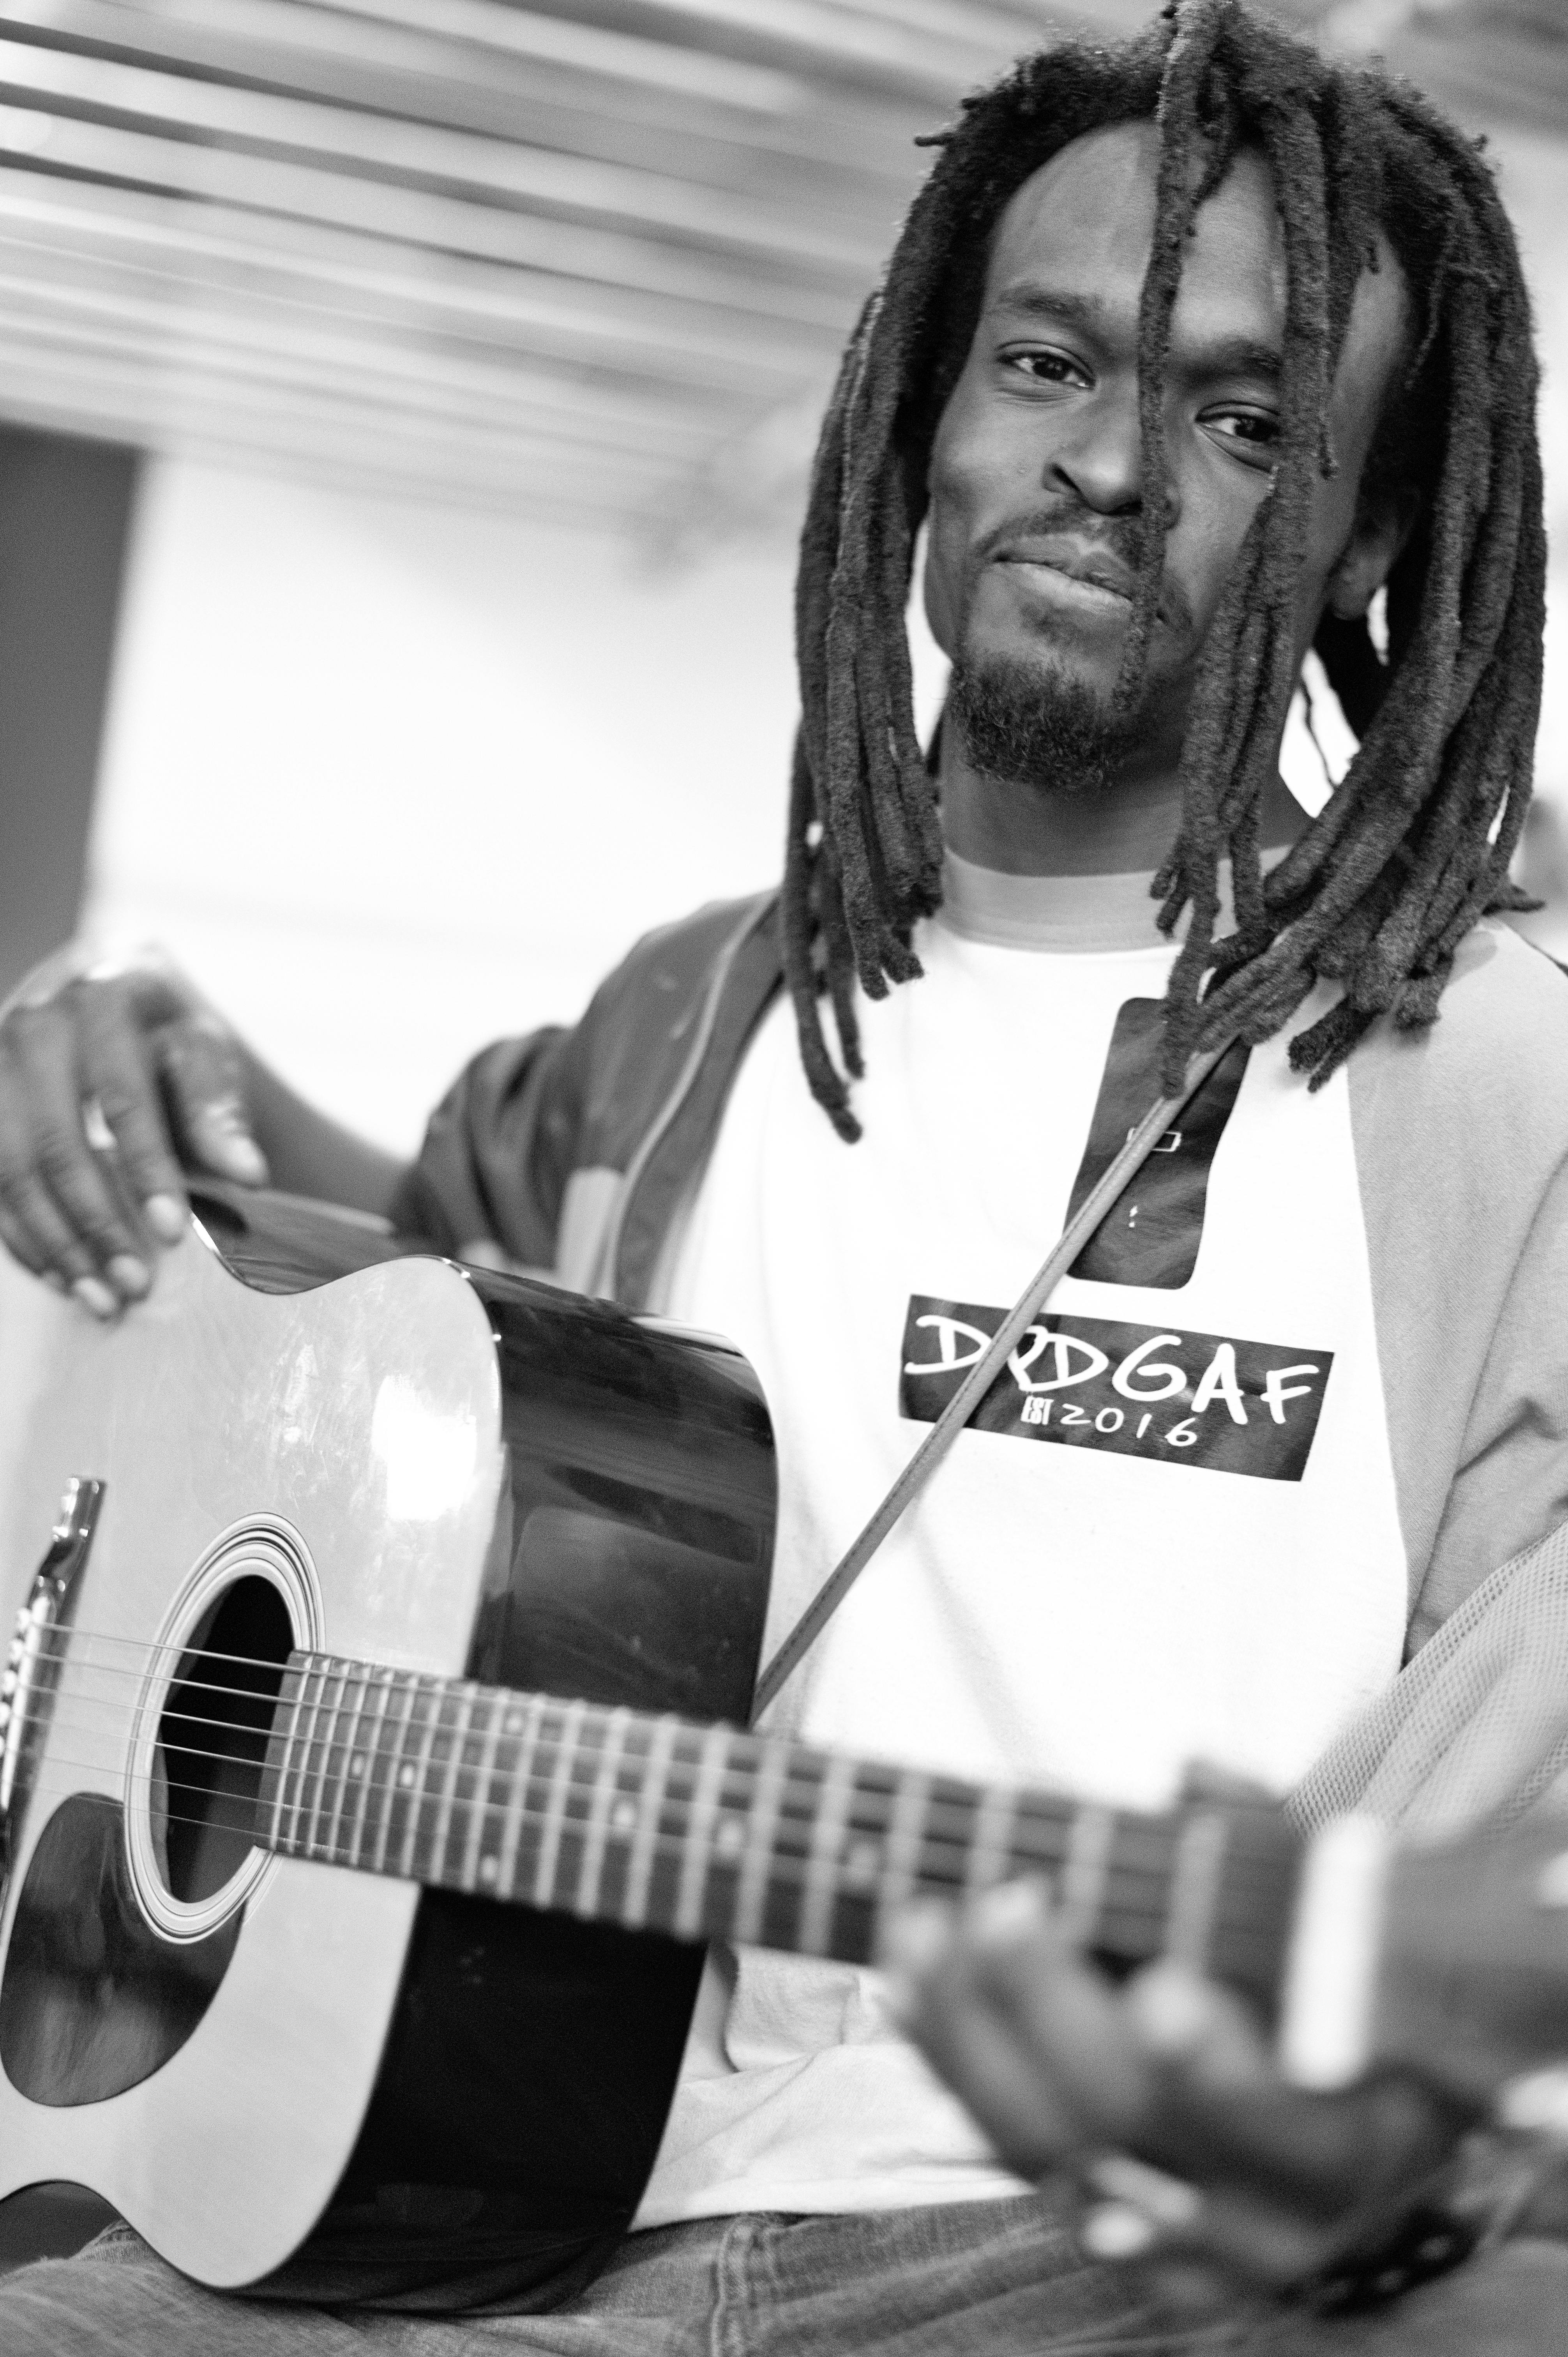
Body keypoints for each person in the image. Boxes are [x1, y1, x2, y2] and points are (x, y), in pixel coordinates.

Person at [2, 2, 1567, 2347]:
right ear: (922, 414)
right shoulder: (704, 1001)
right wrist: (162, 1075)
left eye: (1245, 421)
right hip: (506, 2200)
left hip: (1085, 2249)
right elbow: (419, 1334)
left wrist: (1398, 2149)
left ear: (1356, 537)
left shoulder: (1485, 1079)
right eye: (1045, 365)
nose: (1117, 467)